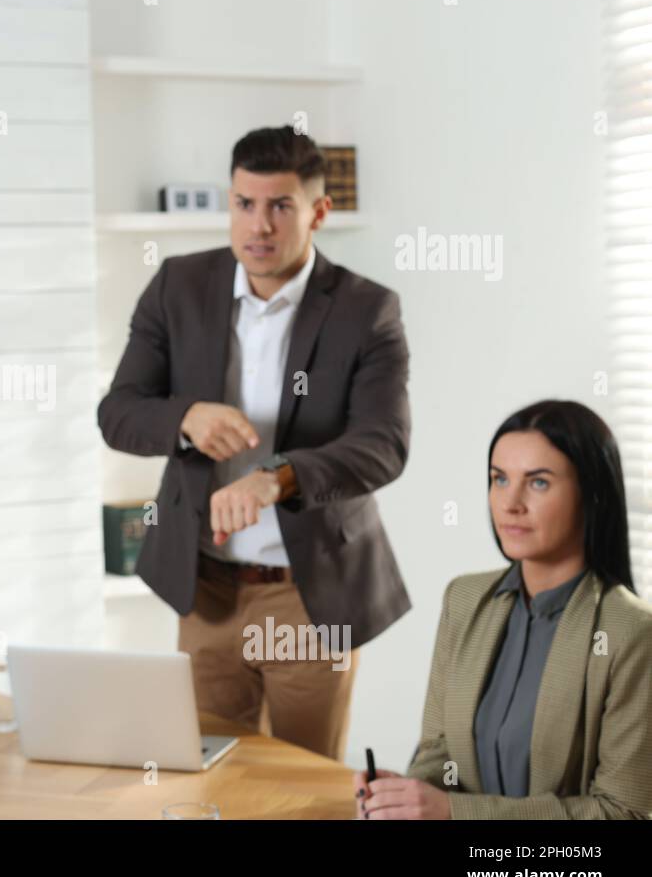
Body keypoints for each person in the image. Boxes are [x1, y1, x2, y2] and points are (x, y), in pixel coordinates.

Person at [97, 125, 411, 761]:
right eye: (244, 204)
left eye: (280, 207)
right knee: (209, 779)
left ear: (319, 212)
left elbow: (384, 444)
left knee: (303, 789)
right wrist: (187, 417)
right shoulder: (178, 287)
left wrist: (279, 477)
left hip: (308, 593)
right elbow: (118, 413)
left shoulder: (366, 310)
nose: (258, 226)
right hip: (205, 588)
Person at [357, 400, 652, 819]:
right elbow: (441, 753)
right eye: (499, 479)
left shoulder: (631, 632)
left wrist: (454, 812)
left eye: (539, 483)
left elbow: (624, 812)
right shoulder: (463, 599)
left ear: (591, 492)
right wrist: (406, 794)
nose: (510, 502)